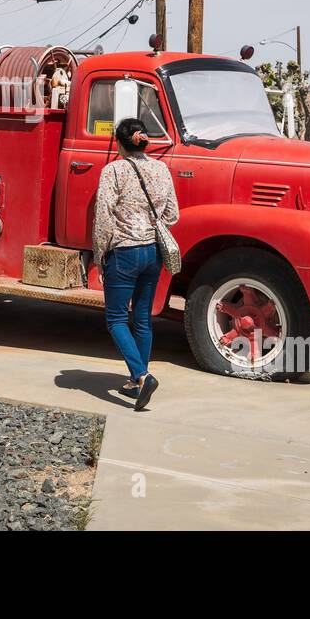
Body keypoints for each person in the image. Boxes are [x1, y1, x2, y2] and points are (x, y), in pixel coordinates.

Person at [92, 117, 180, 410]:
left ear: (119, 143)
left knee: (116, 319)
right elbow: (172, 213)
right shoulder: (161, 168)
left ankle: (142, 375)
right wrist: (151, 226)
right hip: (152, 252)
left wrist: (99, 253)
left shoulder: (113, 171)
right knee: (142, 318)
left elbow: (104, 217)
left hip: (124, 252)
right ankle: (134, 382)